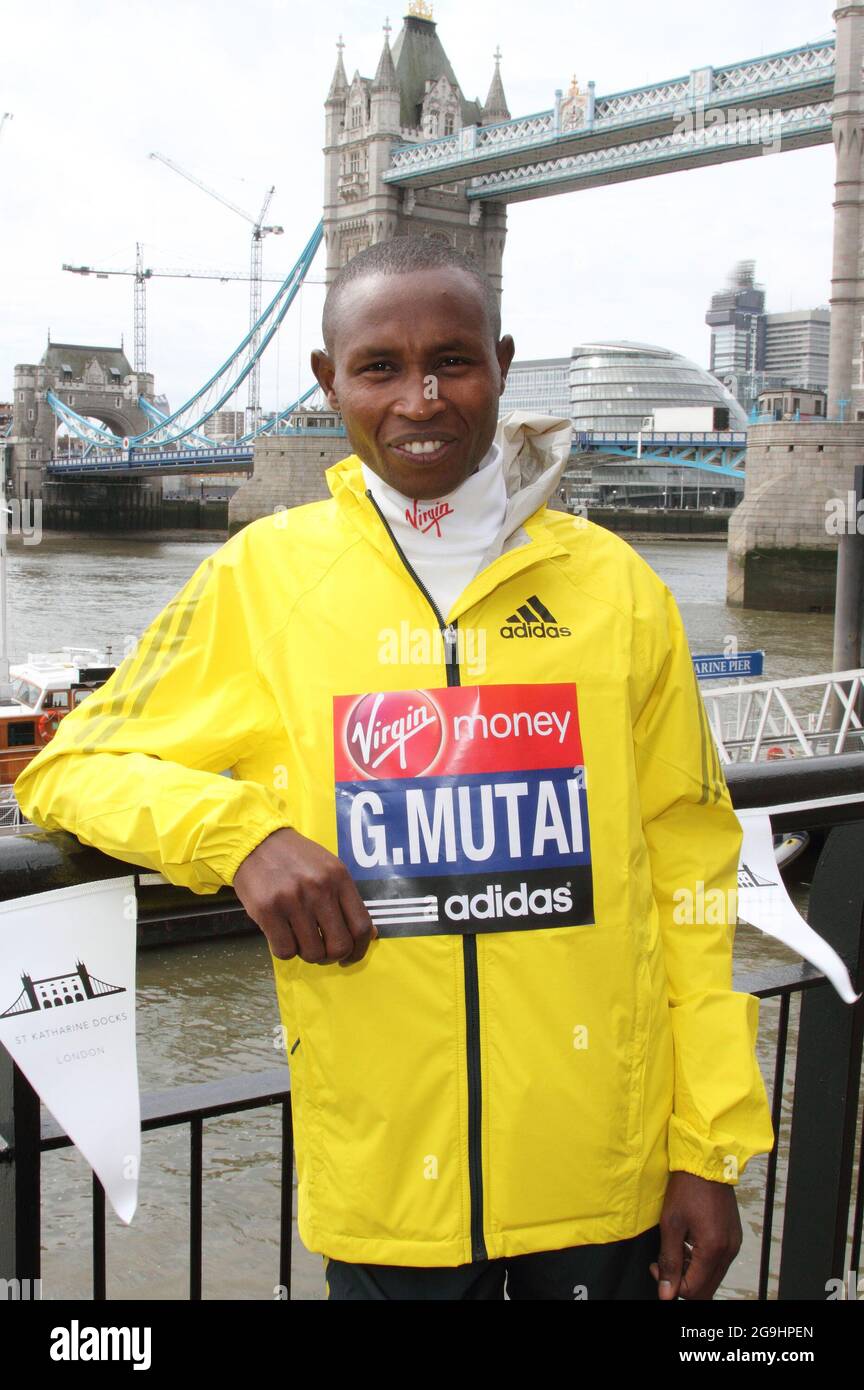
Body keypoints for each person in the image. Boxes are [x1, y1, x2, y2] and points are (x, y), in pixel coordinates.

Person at [14, 237, 774, 1301]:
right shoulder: (263, 580)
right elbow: (71, 768)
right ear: (329, 385)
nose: (420, 398)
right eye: (379, 367)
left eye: (452, 360)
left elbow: (692, 888)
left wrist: (709, 1144)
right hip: (388, 1191)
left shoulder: (618, 590)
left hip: (609, 1171)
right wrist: (240, 836)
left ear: (502, 365)